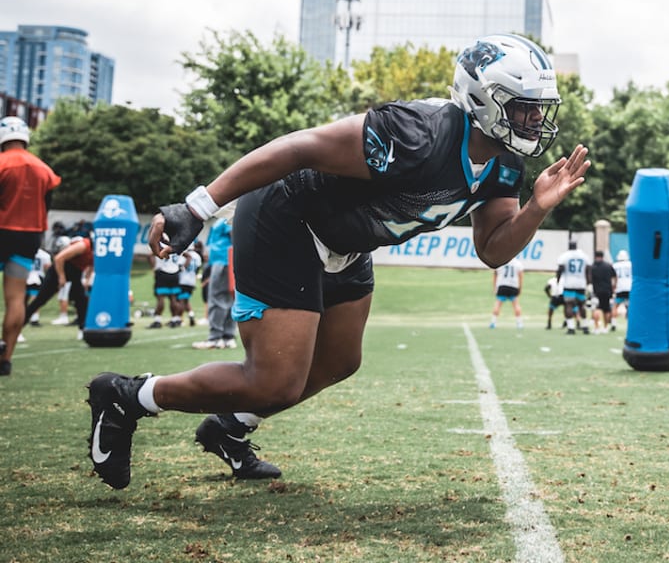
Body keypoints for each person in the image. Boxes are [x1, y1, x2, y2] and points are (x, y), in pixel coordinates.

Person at [85, 33, 589, 490]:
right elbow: (301, 146)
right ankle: (129, 396)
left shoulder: (505, 162)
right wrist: (199, 206)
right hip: (287, 217)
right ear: (482, 98)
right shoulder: (418, 132)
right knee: (273, 379)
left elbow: (493, 248)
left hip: (346, 241)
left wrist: (537, 208)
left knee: (340, 361)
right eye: (523, 108)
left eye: (538, 110)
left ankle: (230, 426)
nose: (534, 121)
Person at [0, 117, 61, 375]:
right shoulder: (43, 169)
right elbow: (46, 205)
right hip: (29, 237)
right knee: (16, 298)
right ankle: (6, 359)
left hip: (2, 229)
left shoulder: (2, 163)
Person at [193, 217, 236, 349]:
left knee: (217, 298)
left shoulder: (228, 216)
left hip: (223, 260)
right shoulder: (226, 216)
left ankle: (215, 338)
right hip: (225, 260)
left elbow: (234, 234)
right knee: (228, 300)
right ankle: (227, 337)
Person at [555, 239, 590, 333]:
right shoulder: (584, 256)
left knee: (569, 305)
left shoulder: (564, 256)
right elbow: (588, 270)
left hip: (569, 283)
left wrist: (558, 281)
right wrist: (588, 283)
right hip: (581, 283)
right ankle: (585, 326)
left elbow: (560, 270)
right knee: (581, 305)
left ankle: (571, 328)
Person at [149, 253, 184, 329]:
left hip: (163, 272)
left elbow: (150, 255)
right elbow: (183, 260)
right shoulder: (177, 245)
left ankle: (157, 321)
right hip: (175, 273)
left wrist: (154, 268)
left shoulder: (160, 244)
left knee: (160, 298)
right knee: (173, 298)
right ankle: (174, 320)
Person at [490, 258, 524, 329]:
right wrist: (520, 288)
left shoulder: (500, 262)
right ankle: (519, 323)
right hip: (513, 286)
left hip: (502, 285)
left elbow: (495, 275)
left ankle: (493, 322)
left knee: (498, 304)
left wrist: (494, 287)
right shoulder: (518, 263)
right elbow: (521, 277)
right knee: (516, 305)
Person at [588, 250, 617, 333]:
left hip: (596, 291)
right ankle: (605, 327)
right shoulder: (608, 266)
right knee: (606, 309)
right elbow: (614, 276)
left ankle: (596, 328)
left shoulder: (593, 267)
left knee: (596, 308)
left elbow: (590, 278)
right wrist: (614, 286)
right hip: (607, 290)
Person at [179, 241, 203, 326]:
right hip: (191, 281)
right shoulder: (197, 256)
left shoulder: (184, 255)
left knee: (181, 300)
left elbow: (180, 266)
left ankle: (179, 319)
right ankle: (191, 315)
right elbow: (197, 269)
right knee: (185, 300)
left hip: (182, 279)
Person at [612, 249, 631, 327]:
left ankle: (613, 323)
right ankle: (630, 322)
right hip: (629, 287)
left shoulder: (615, 265)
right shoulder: (631, 264)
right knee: (630, 306)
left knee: (615, 306)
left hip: (619, 287)